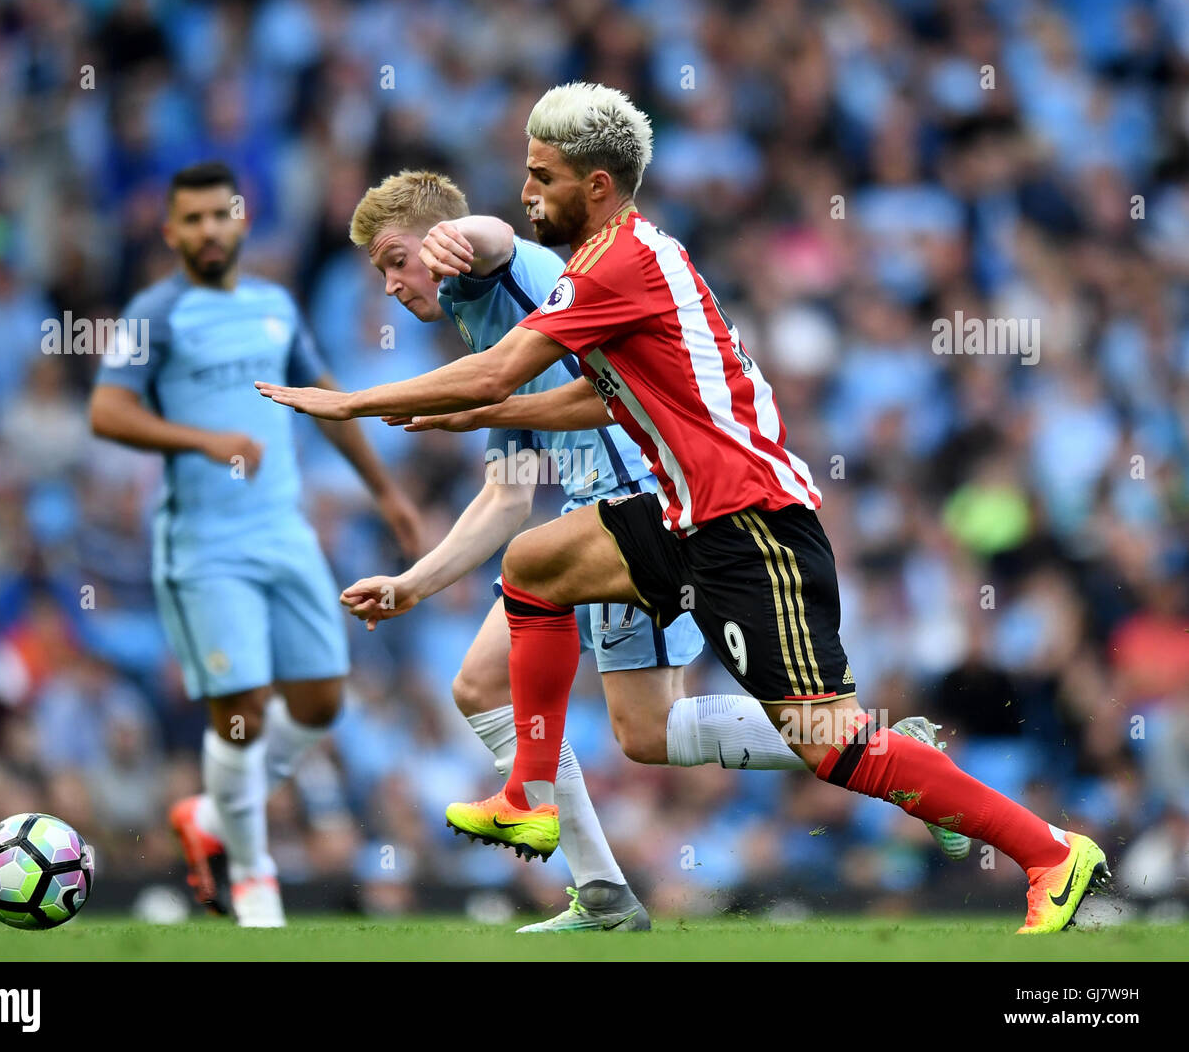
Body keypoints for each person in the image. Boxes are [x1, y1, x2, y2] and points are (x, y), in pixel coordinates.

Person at [255, 84, 1107, 934]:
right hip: (680, 514)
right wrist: (474, 420)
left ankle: (1048, 852)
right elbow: (565, 398)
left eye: (541, 176)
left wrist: (353, 402)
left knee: (832, 744)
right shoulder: (607, 265)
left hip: (749, 523)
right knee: (535, 571)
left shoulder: (603, 266)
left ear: (593, 187)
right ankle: (532, 801)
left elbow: (492, 270)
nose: (525, 192)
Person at [90, 161, 422, 926]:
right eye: (193, 219)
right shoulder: (156, 312)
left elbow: (328, 402)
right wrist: (202, 439)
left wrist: (388, 492)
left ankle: (214, 812)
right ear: (172, 232)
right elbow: (109, 412)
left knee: (320, 700)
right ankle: (251, 875)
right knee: (239, 708)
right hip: (206, 545)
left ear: (240, 221)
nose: (209, 230)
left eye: (221, 215)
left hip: (284, 529)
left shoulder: (274, 306)